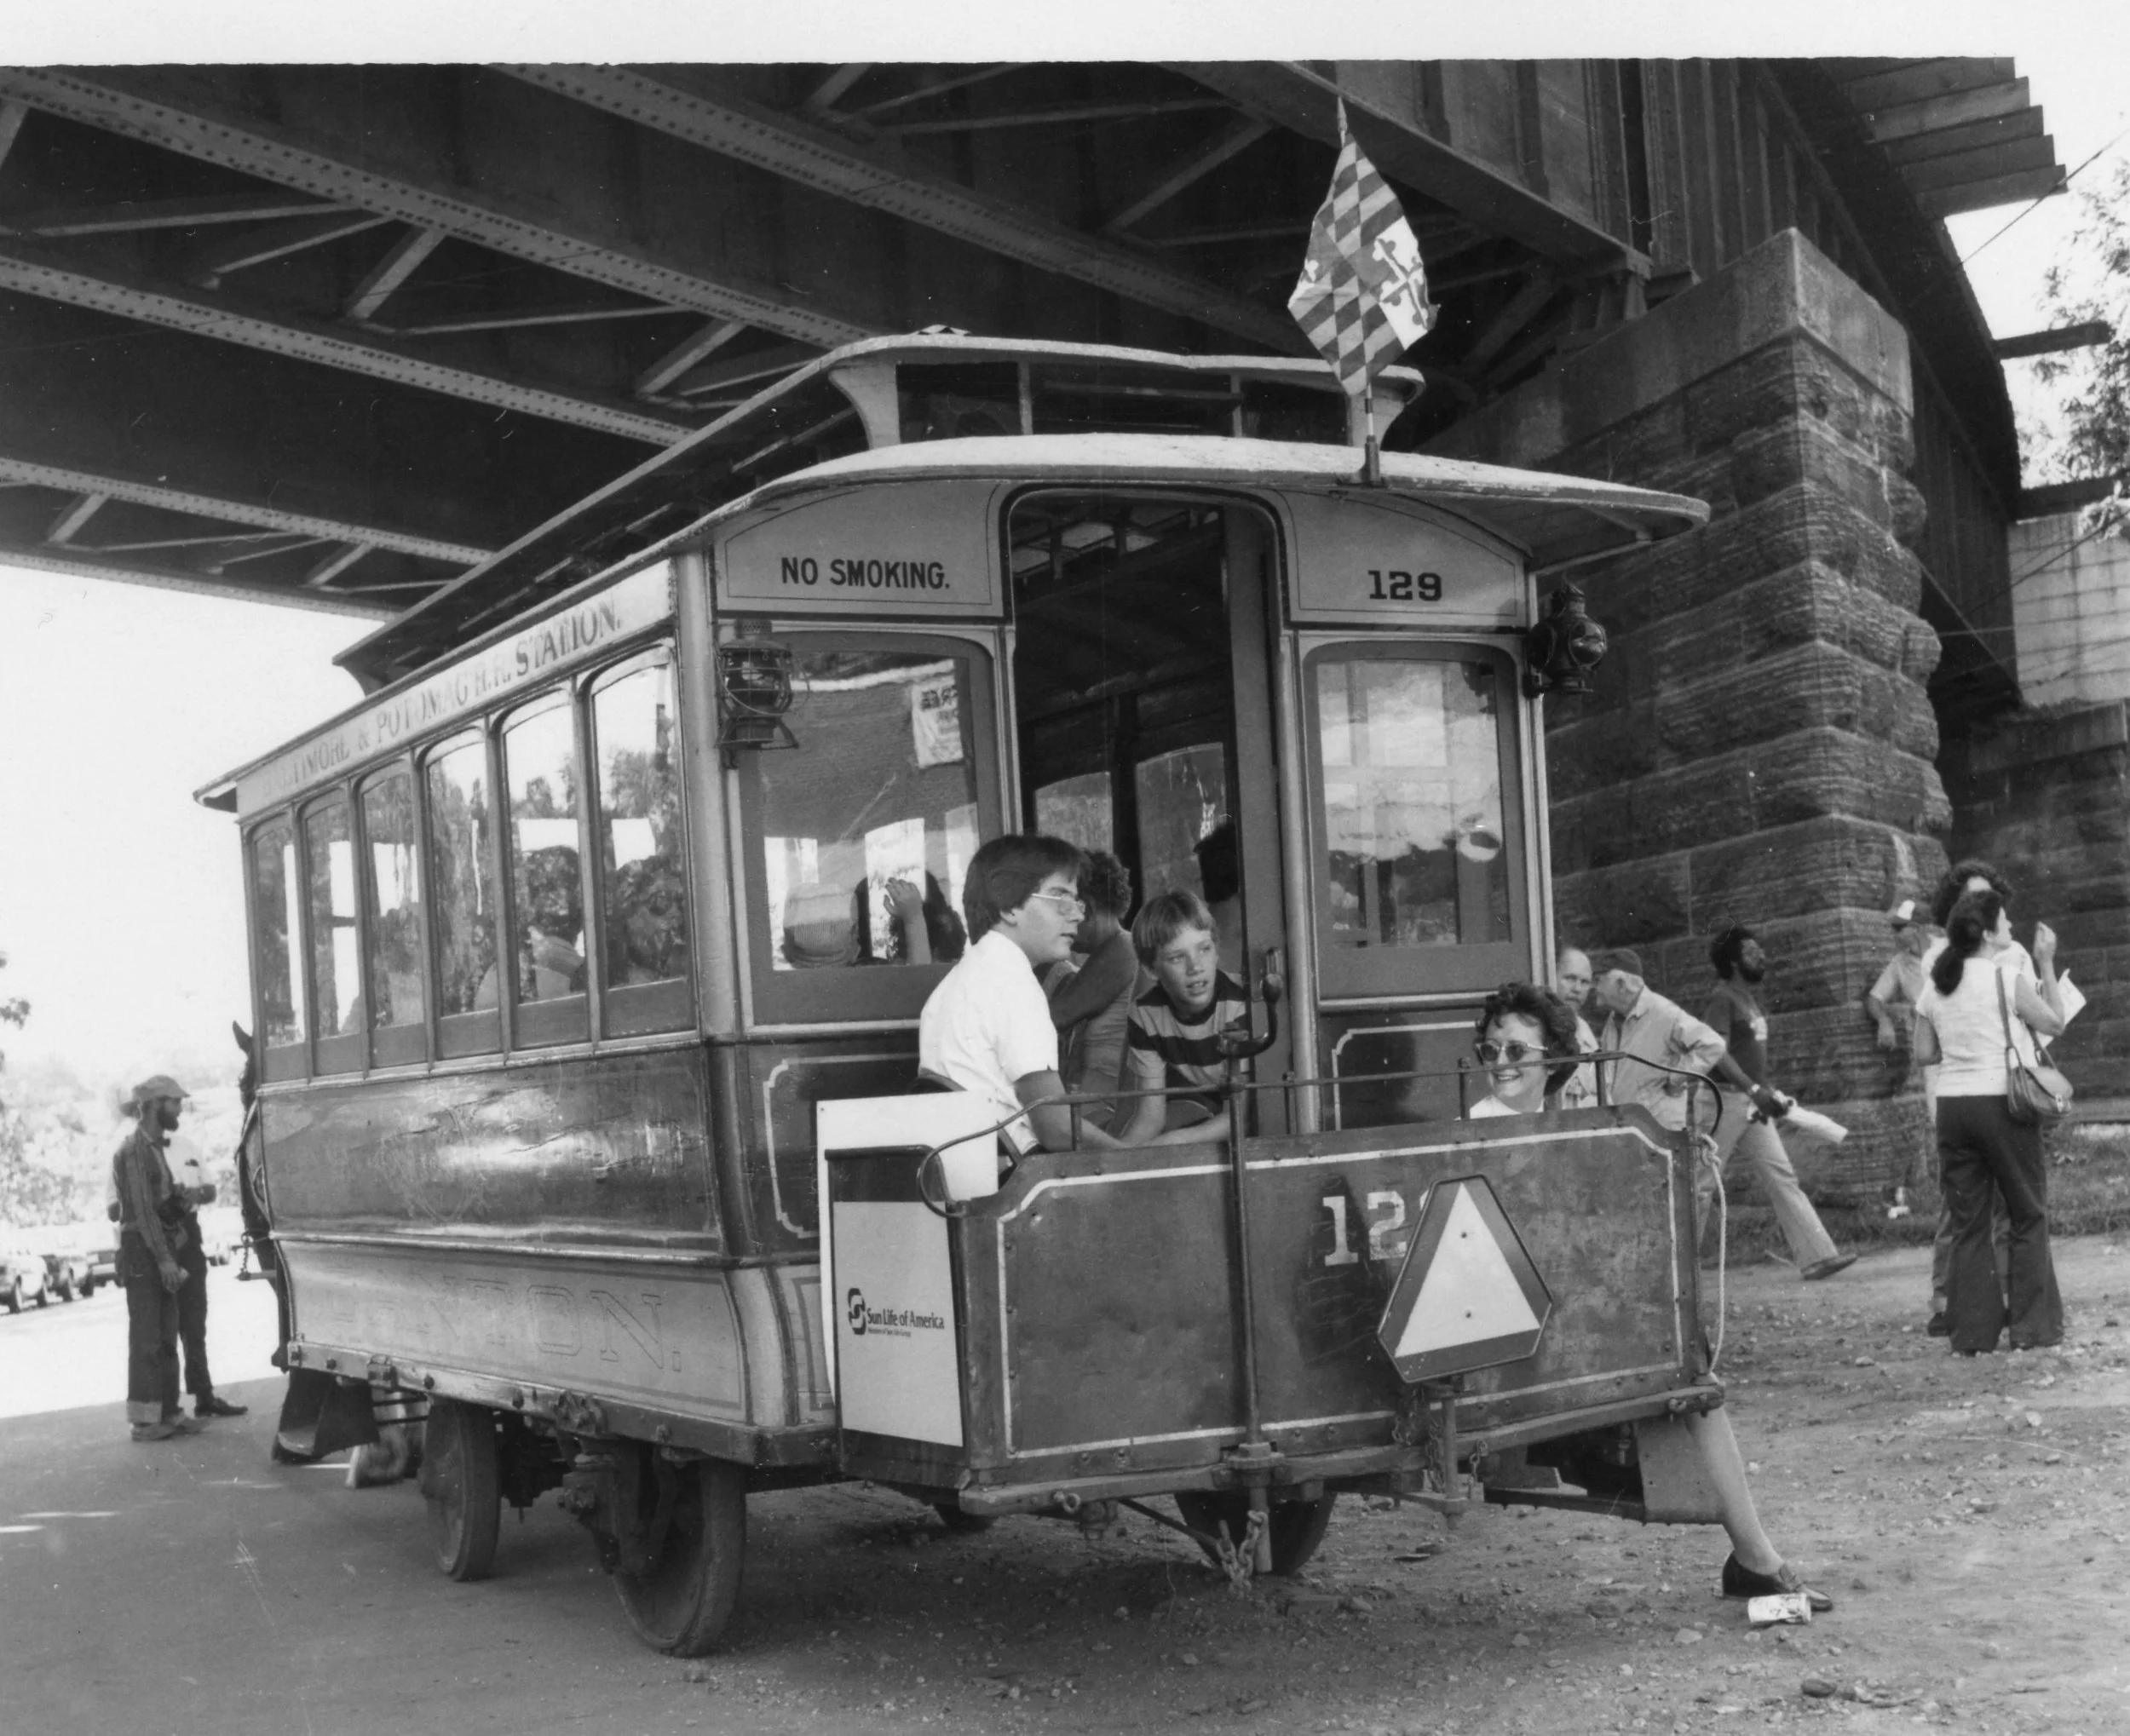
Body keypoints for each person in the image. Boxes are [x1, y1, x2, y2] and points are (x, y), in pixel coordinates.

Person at [1466, 986, 1833, 1612]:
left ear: (1552, 1061)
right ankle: (1754, 1557)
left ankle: (1754, 1554)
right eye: (1492, 1047)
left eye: (1516, 1048)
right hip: (1521, 1324)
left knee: (1689, 1360)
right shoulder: (1485, 1125)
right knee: (1688, 1369)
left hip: (1554, 1313)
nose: (1501, 1060)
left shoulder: (1557, 1123)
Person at [1913, 888, 2066, 1354]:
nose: (2012, 927)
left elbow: (1923, 1052)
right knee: (2027, 1211)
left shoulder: (1936, 983)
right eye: (2005, 920)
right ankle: (2031, 1328)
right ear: (1986, 931)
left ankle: (1973, 1334)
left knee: (1968, 1222)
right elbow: (2055, 1022)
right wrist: (2044, 963)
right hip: (2002, 1103)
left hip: (1954, 1108)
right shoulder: (2005, 976)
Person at [918, 834, 1121, 1155]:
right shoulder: (1013, 986)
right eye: (1060, 899)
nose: (1078, 915)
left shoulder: (956, 983)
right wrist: (1131, 1157)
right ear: (1010, 907)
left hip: (972, 1174)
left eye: (1077, 902)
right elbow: (1056, 1129)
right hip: (1019, 1178)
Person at [1702, 925, 1855, 1282]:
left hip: (1751, 1102)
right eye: (1753, 952)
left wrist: (1767, 1091)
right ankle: (1676, 1264)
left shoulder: (1747, 999)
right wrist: (1755, 1089)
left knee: (1782, 1176)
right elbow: (1717, 1052)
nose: (1762, 957)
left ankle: (1818, 1256)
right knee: (1701, 1183)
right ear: (1733, 962)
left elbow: (1748, 1055)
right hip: (1724, 1103)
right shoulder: (1721, 1000)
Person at [1918, 862, 2025, 1335]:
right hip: (1965, 1086)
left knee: (1999, 1204)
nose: (1983, 908)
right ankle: (1946, 1296)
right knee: (1959, 1205)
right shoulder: (1939, 959)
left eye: (1989, 899)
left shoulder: (2010, 952)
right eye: (1973, 900)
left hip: (2004, 1082)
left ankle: (1991, 1297)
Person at [1115, 889, 1253, 1147]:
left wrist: (1170, 1141)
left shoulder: (1240, 1004)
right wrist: (1117, 1159)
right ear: (1150, 969)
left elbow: (1242, 1116)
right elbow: (1150, 1117)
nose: (1195, 967)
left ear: (1216, 950)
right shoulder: (1146, 1014)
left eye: (1204, 949)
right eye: (1177, 957)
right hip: (1208, 1109)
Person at [111, 1075, 202, 1442]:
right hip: (142, 1251)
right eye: (174, 1102)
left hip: (157, 1246)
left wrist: (178, 1200)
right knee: (148, 1337)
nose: (179, 1108)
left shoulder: (151, 1149)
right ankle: (145, 1422)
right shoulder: (133, 1150)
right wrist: (165, 1261)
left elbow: (157, 1208)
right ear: (153, 1106)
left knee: (167, 1334)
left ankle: (168, 1412)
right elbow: (143, 1214)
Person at [1044, 851, 1138, 1130]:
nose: (1064, 922)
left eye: (1065, 910)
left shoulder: (1121, 951)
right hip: (1093, 1105)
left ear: (1090, 908)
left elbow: (1054, 1017)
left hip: (1106, 1113)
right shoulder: (1109, 951)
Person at [1552, 945, 1601, 1110]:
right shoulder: (1532, 1027)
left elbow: (1602, 1095)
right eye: (1570, 979)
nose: (1577, 989)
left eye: (1585, 982)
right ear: (1552, 975)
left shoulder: (1585, 1032)